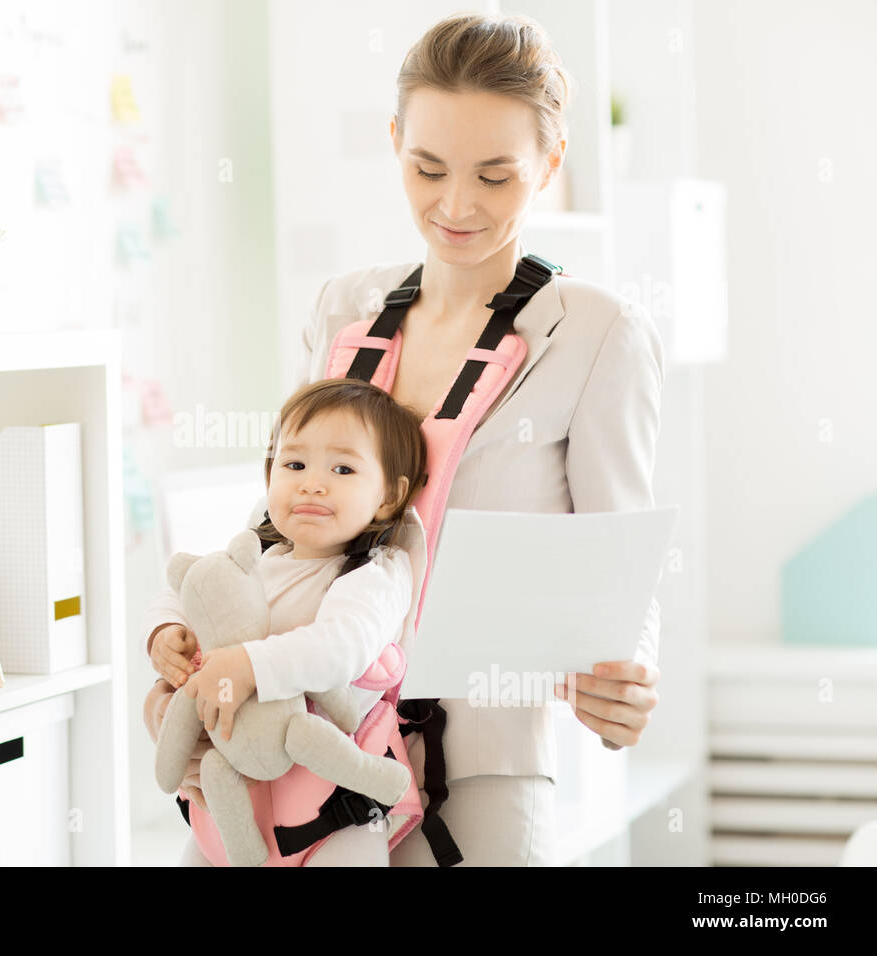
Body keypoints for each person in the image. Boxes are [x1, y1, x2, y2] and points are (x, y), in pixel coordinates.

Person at [148, 11, 664, 866]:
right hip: (313, 738)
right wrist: (182, 621)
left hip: (484, 772)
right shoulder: (343, 309)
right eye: (428, 167)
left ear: (552, 162)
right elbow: (292, 503)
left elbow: (621, 564)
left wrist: (629, 676)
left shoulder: (599, 335)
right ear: (394, 142)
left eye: (496, 177)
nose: (455, 205)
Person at [145, 377, 430, 866]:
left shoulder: (374, 573)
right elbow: (191, 587)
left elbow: (342, 647)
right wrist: (165, 632)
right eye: (294, 464)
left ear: (388, 497)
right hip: (235, 811)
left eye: (342, 468)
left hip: (332, 816)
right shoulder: (256, 555)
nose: (312, 482)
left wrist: (247, 665)